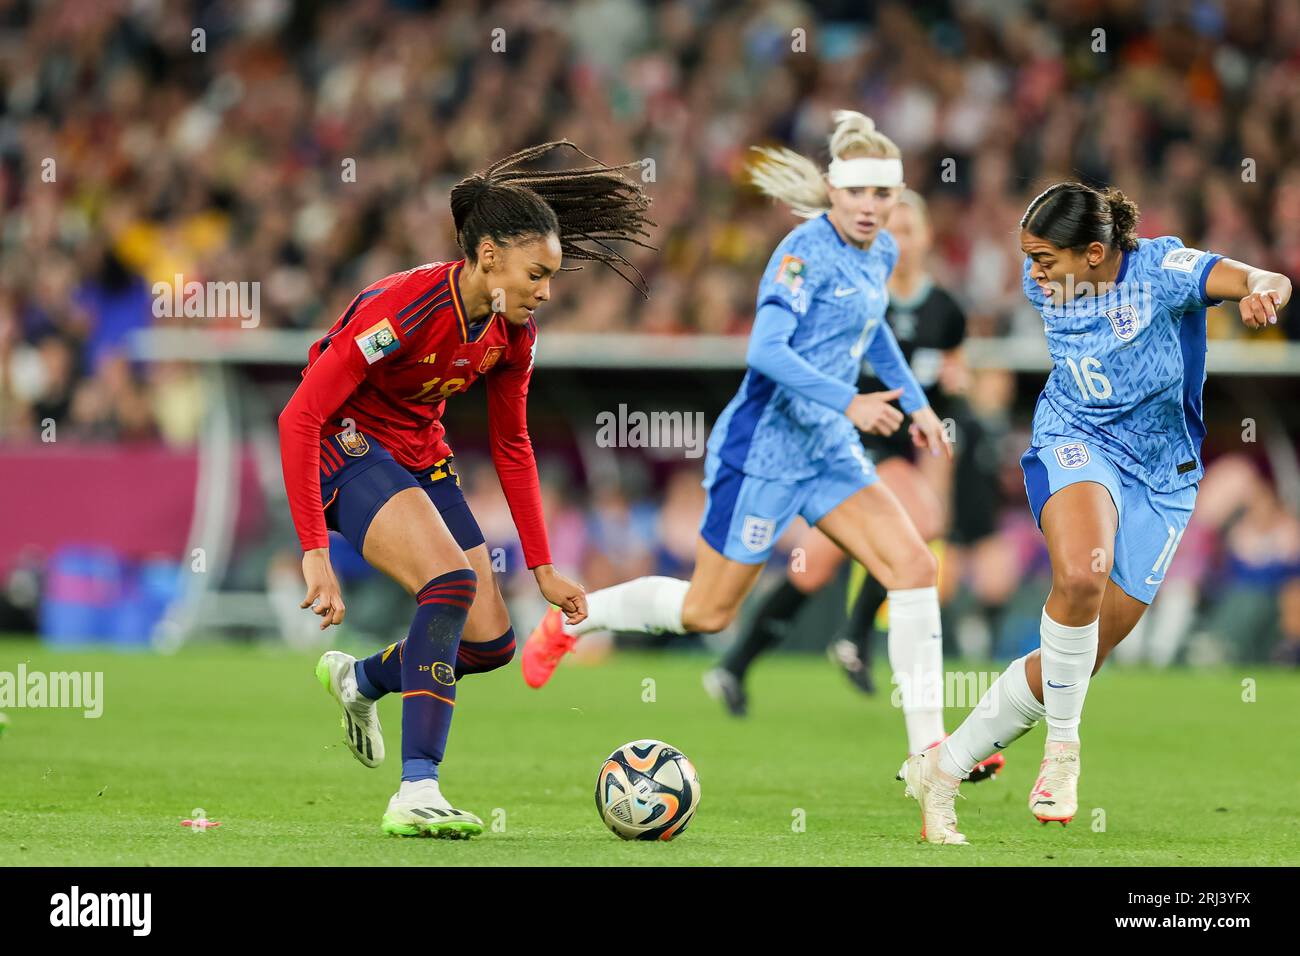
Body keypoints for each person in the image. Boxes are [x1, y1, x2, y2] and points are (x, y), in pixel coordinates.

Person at [523, 111, 958, 768]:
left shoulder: (884, 253)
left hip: (829, 450)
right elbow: (766, 350)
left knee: (914, 565)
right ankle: (575, 619)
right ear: (834, 190)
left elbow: (873, 333)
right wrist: (851, 401)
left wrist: (917, 404)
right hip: (765, 451)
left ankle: (933, 760)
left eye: (884, 193)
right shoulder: (801, 254)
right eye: (859, 192)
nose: (872, 207)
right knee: (706, 613)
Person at [277, 141, 653, 838]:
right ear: (488, 258)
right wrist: (314, 551)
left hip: (421, 453)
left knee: (489, 643)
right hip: (346, 441)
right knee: (448, 583)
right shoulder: (406, 310)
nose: (545, 291)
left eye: (552, 278)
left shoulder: (515, 334)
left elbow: (512, 445)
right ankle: (417, 789)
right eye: (537, 274)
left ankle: (360, 681)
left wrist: (540, 564)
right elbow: (300, 413)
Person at [903, 181, 1292, 844]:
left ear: (1093, 252)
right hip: (1076, 441)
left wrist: (1263, 291)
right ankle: (1063, 752)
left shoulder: (1163, 272)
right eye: (1027, 257)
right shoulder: (1046, 285)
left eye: (1044, 259)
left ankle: (942, 768)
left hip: (1164, 476)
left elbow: (1266, 276)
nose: (1032, 274)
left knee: (1079, 659)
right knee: (1083, 573)